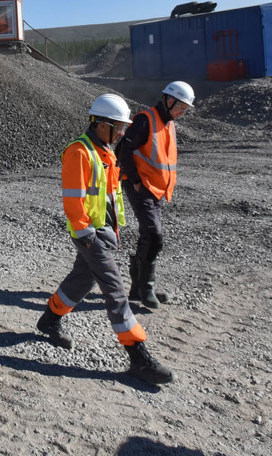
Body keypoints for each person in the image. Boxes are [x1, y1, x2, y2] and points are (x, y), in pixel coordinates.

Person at [36, 93, 174, 385]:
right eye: (120, 127)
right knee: (115, 291)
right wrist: (87, 235)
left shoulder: (105, 152)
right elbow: (73, 200)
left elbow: (109, 198)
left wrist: (112, 231)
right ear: (101, 124)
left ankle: (49, 319)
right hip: (90, 235)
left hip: (102, 233)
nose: (124, 132)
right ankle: (138, 356)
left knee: (82, 280)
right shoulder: (79, 152)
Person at [118, 80, 194, 310]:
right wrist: (137, 181)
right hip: (141, 187)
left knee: (148, 236)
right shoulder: (145, 119)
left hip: (156, 189)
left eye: (186, 109)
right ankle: (146, 288)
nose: (183, 112)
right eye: (181, 107)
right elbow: (123, 150)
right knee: (154, 235)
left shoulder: (168, 122)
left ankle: (138, 287)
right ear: (169, 100)